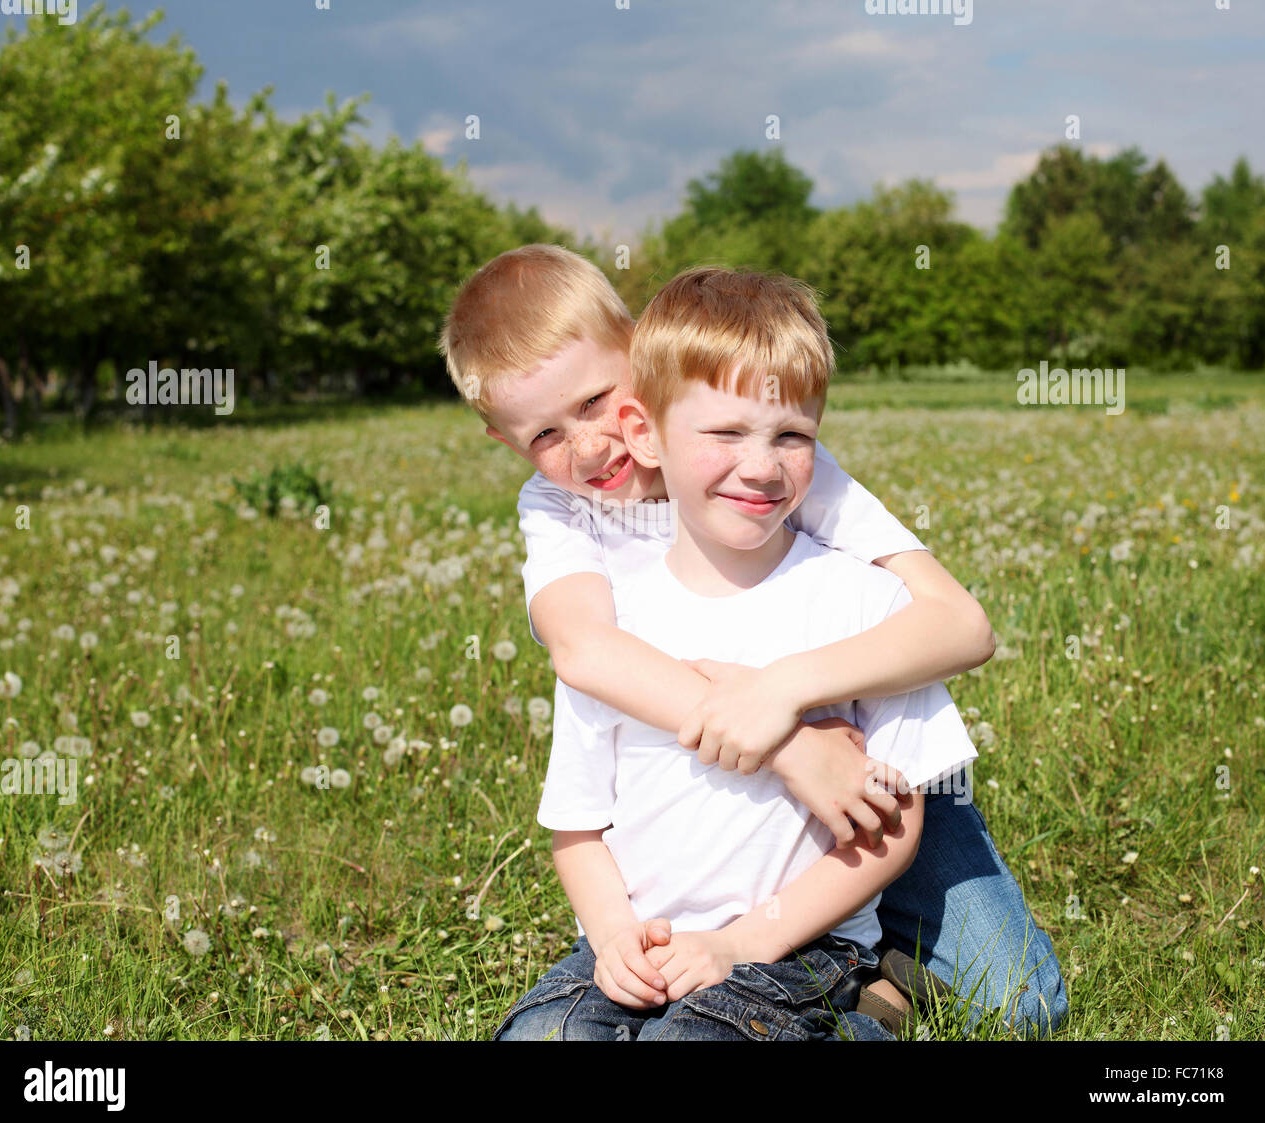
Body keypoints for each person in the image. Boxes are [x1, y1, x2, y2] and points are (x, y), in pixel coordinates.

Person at [439, 246, 1066, 1035]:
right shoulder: (560, 507)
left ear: (638, 350)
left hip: (871, 773)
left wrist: (786, 697)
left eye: (597, 400)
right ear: (508, 443)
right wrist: (787, 747)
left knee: (1022, 1001)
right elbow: (586, 652)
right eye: (546, 434)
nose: (590, 447)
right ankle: (854, 971)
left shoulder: (768, 459)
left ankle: (866, 969)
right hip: (713, 788)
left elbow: (962, 625)